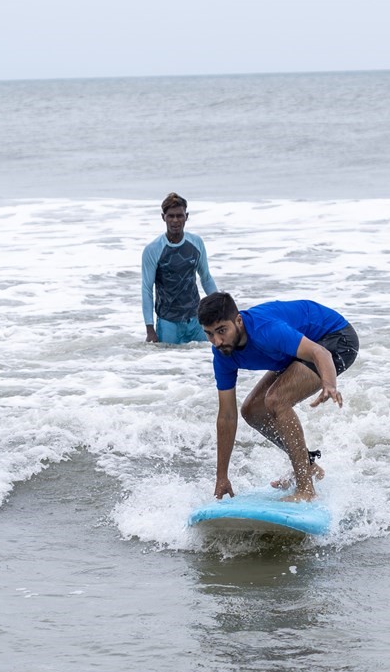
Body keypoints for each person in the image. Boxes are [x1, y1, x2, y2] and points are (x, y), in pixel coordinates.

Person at [197, 292, 358, 502]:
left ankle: (306, 490)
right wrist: (222, 477)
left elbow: (321, 353)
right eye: (209, 334)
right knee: (251, 410)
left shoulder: (267, 330)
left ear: (238, 321)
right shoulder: (222, 354)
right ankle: (308, 466)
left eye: (222, 331)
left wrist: (328, 383)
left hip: (336, 338)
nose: (217, 341)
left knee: (276, 399)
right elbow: (227, 416)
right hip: (299, 349)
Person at [142, 193, 217, 344]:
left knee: (203, 361)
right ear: (163, 217)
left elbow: (206, 278)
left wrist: (223, 309)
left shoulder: (196, 243)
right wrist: (150, 330)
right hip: (168, 323)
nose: (175, 221)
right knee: (170, 364)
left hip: (197, 320)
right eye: (171, 216)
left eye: (179, 216)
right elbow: (146, 289)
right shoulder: (153, 249)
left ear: (186, 216)